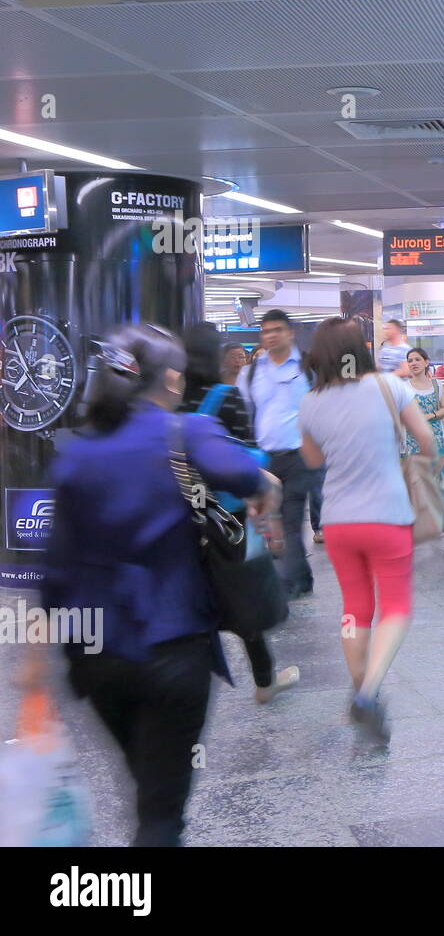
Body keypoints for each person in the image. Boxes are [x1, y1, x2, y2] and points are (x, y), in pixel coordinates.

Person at [43, 324, 279, 845]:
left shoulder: (76, 452)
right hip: (174, 646)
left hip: (97, 654)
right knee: (161, 812)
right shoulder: (184, 431)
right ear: (171, 378)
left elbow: (55, 571)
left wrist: (42, 658)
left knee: (147, 781)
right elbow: (243, 473)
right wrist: (266, 485)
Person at [299, 318, 434, 744]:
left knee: (355, 607)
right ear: (360, 348)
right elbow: (427, 440)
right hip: (387, 515)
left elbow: (312, 460)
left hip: (338, 520)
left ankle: (361, 688)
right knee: (395, 607)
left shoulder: (310, 402)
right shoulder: (390, 387)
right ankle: (369, 691)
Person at [179, 323, 299, 704]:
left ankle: (186, 681)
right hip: (227, 517)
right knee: (244, 598)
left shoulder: (168, 402)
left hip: (182, 515)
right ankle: (264, 681)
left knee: (190, 597)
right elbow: (251, 457)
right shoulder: (226, 396)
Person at [237, 309, 318, 598]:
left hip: (298, 455)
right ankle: (302, 577)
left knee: (290, 519)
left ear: (290, 332)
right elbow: (244, 413)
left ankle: (287, 585)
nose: (271, 335)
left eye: (277, 330)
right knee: (272, 521)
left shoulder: (308, 368)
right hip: (264, 457)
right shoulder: (251, 373)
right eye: (266, 331)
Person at [404, 346, 444, 533]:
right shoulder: (404, 387)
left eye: (417, 359)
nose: (413, 363)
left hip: (436, 439)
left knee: (438, 479)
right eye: (410, 360)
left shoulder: (437, 385)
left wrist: (431, 415)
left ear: (426, 363)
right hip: (413, 440)